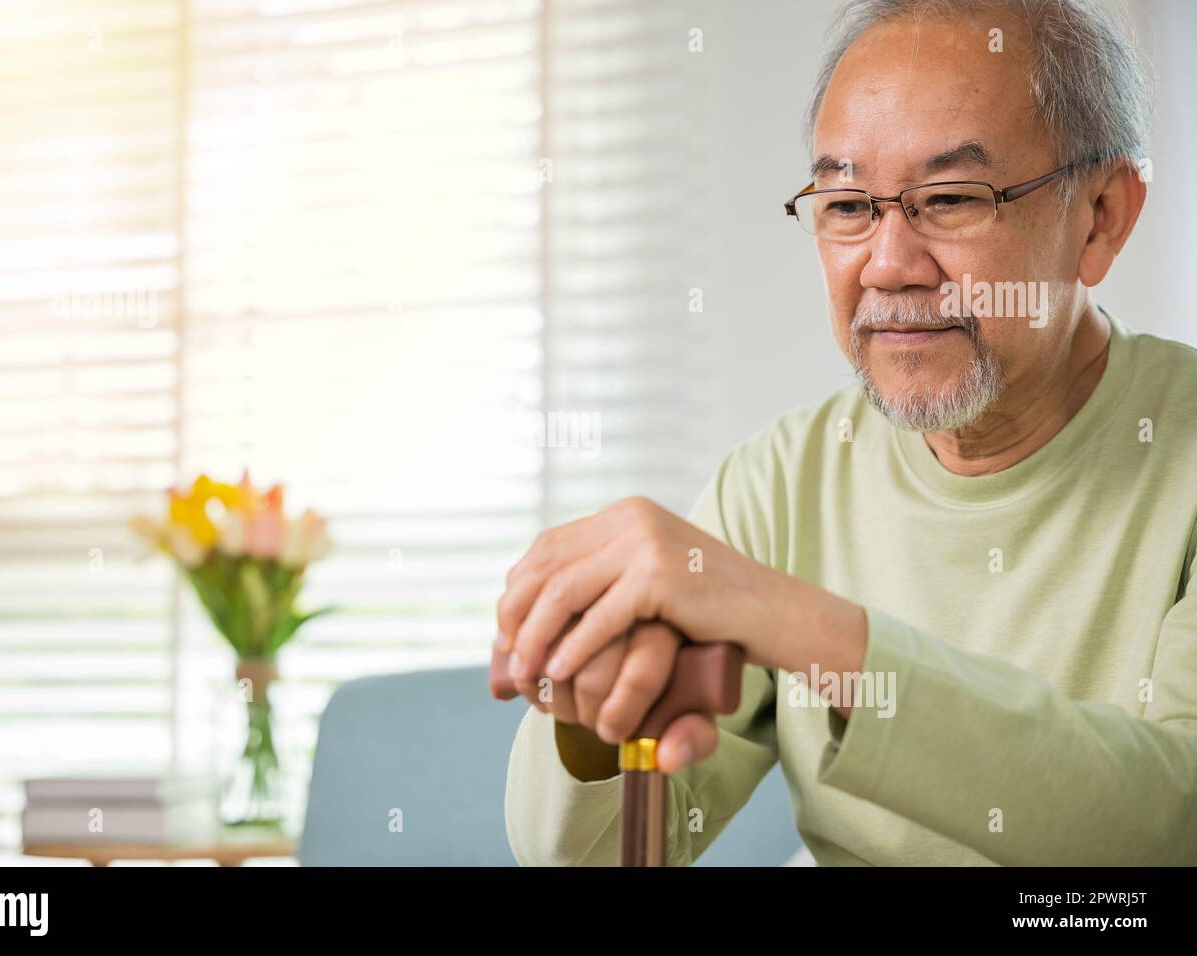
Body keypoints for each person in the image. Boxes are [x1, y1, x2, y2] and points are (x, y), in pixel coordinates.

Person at [497, 0, 1197, 865]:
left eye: (949, 199)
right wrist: (590, 710)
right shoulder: (781, 481)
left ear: (1102, 215)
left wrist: (799, 625)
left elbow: (1169, 823)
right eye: (846, 205)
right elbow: (592, 858)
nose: (890, 265)